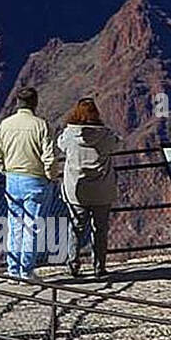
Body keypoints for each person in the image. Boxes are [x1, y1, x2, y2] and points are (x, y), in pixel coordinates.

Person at [0, 86, 55, 279]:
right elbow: (49, 158)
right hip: (35, 180)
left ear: (17, 102)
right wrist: (50, 177)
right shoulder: (41, 125)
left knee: (15, 225)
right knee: (31, 227)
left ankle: (13, 269)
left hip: (12, 180)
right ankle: (26, 271)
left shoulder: (5, 125)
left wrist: (7, 172)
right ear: (35, 102)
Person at [57, 97, 120, 278]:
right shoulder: (106, 136)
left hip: (76, 191)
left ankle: (73, 264)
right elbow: (118, 143)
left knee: (76, 228)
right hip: (102, 190)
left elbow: (59, 144)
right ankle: (99, 266)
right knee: (100, 230)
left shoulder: (69, 135)